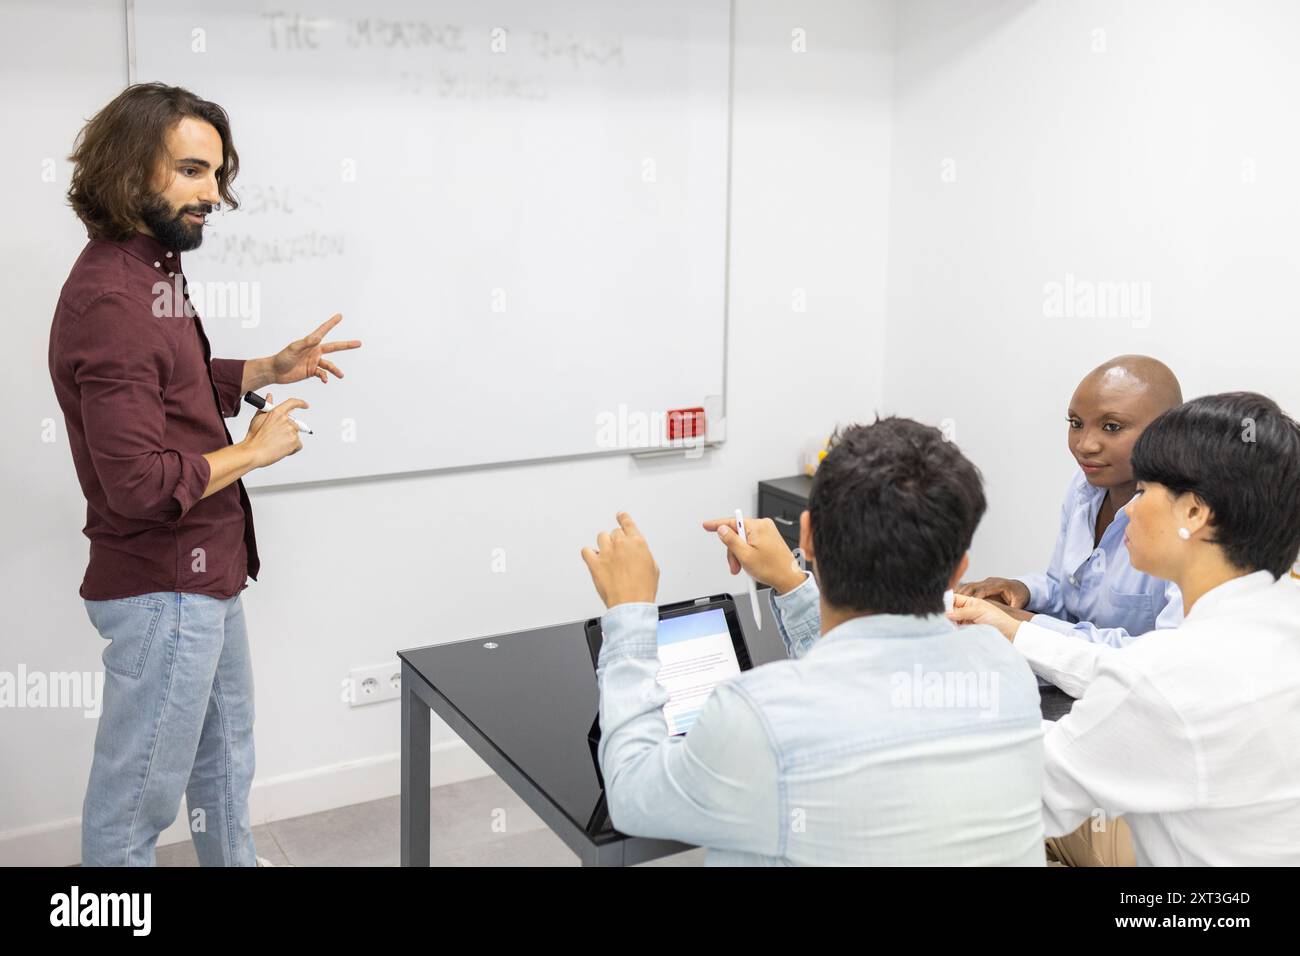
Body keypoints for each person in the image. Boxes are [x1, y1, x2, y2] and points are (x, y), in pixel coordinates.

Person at [51, 82, 361, 866]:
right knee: (134, 808)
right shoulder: (115, 300)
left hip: (207, 575)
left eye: (217, 175)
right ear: (129, 174)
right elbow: (140, 484)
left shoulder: (149, 271)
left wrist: (265, 366)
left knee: (224, 771)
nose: (213, 194)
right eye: (192, 172)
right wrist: (253, 451)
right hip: (164, 588)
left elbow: (170, 388)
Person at [580, 418, 1045, 865]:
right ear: (962, 568)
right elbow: (854, 696)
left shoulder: (759, 717)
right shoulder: (1003, 668)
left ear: (806, 536)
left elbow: (633, 793)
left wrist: (630, 615)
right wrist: (791, 585)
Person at [950, 393, 1300, 865]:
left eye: (1143, 490)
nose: (1127, 510)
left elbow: (1025, 794)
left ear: (1194, 513)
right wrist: (1016, 632)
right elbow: (1137, 678)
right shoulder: (1273, 618)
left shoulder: (1164, 677)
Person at [958, 355, 1185, 658]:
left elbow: (1164, 658)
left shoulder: (1189, 520)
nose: (1085, 445)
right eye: (1076, 423)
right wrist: (1022, 592)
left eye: (1112, 426)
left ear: (1168, 431)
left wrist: (1026, 626)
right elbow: (1071, 595)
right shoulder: (1084, 487)